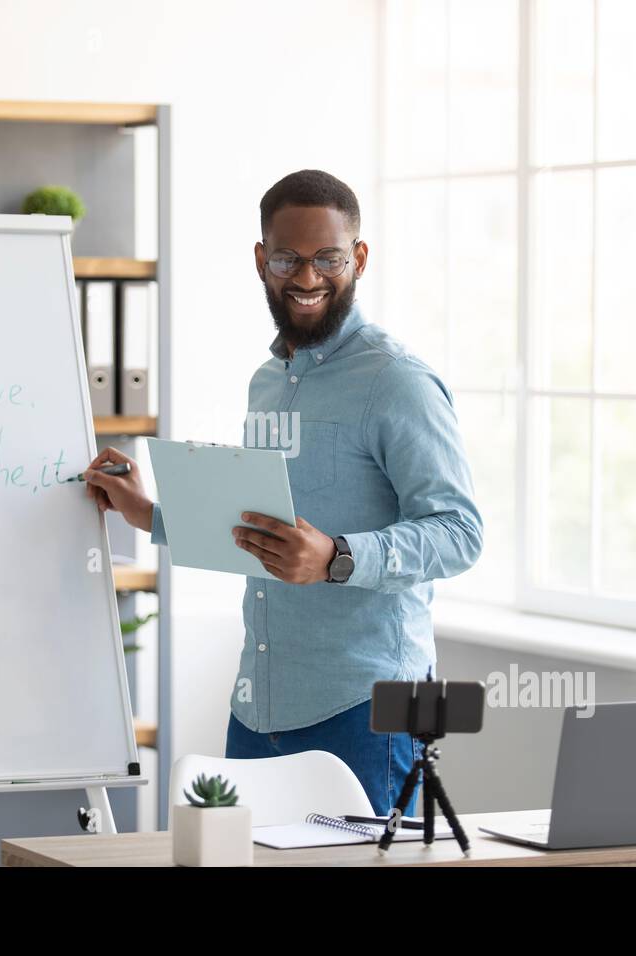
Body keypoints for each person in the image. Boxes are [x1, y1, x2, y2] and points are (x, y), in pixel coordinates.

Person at [83, 169, 483, 815]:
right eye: (287, 258)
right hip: (261, 703)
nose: (305, 277)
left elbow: (460, 532)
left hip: (365, 708)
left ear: (358, 257)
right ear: (260, 260)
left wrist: (338, 557)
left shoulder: (396, 381)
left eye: (327, 257)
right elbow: (262, 537)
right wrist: (149, 514)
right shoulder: (268, 382)